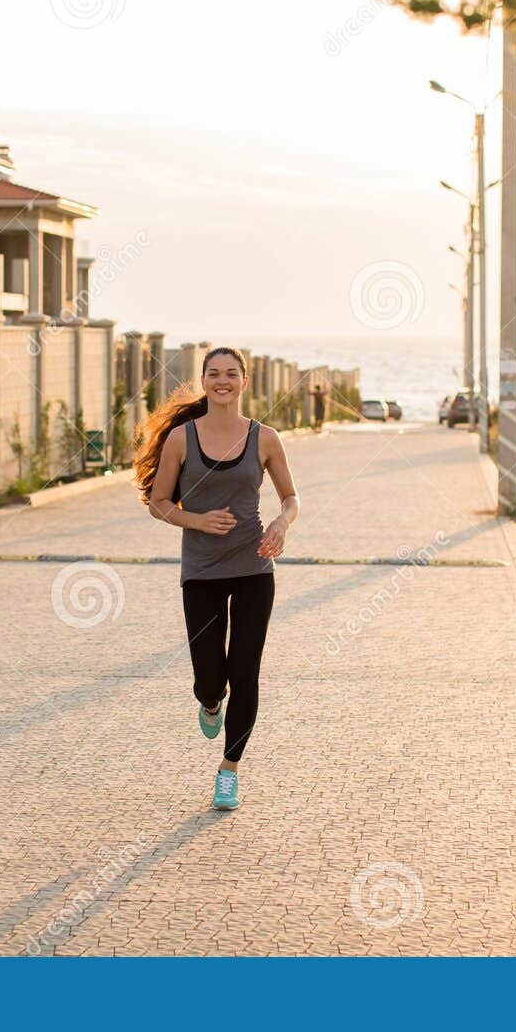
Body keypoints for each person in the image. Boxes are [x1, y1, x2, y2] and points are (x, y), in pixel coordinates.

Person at [135, 347, 300, 810]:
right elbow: (159, 502)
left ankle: (229, 770)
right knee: (211, 678)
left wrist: (281, 524)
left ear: (245, 382)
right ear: (204, 381)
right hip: (202, 573)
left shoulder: (264, 438)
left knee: (245, 671)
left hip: (254, 570)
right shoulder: (181, 440)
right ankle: (211, 702)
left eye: (231, 373)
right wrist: (196, 521)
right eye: (214, 374)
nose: (222, 380)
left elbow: (291, 496)